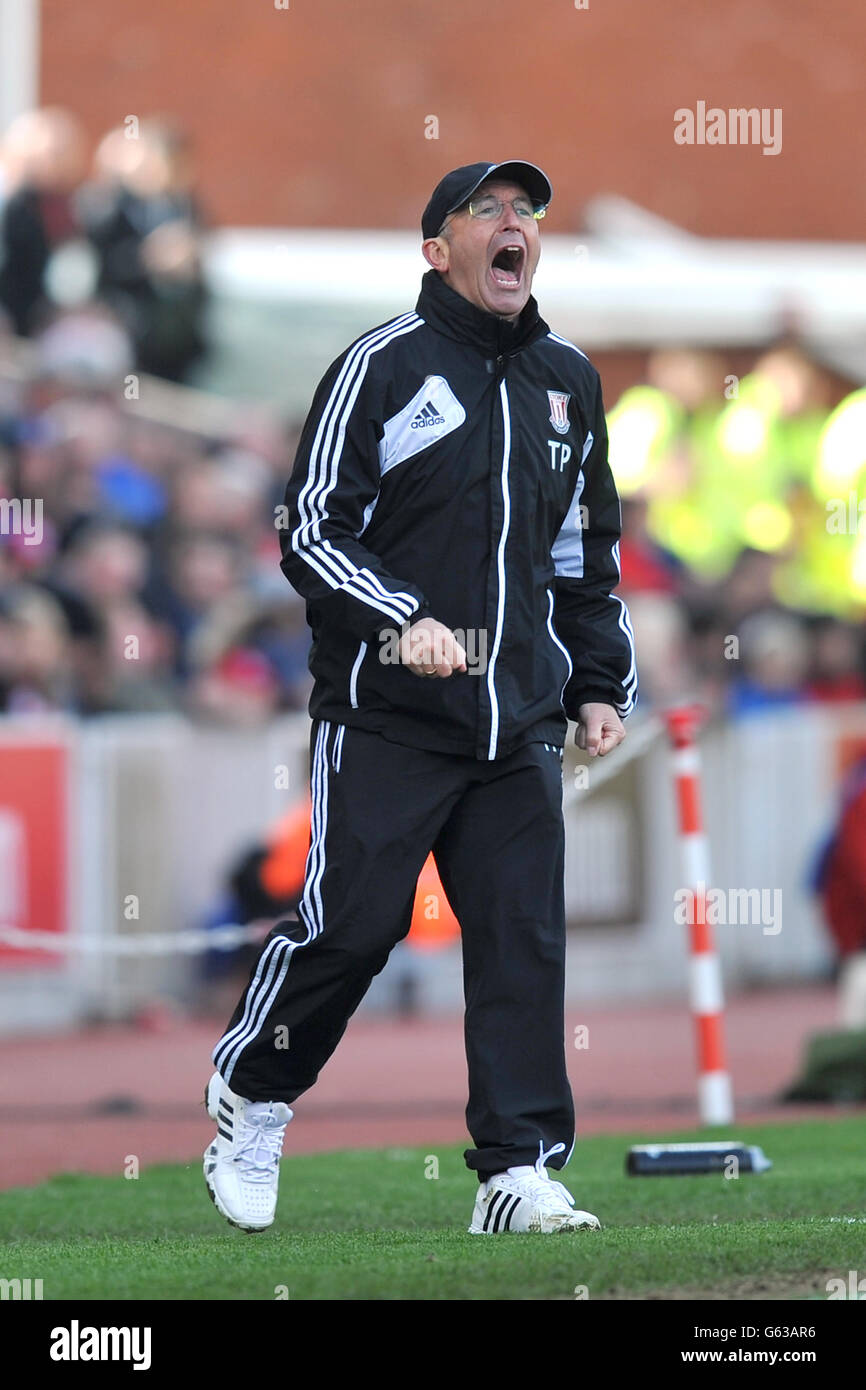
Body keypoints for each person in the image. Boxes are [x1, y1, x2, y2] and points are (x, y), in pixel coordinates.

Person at [204, 160, 637, 1235]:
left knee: (520, 941)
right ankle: (252, 1095)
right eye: (484, 210)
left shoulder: (566, 379)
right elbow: (309, 528)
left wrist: (596, 683)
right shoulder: (381, 368)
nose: (511, 226)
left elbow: (584, 558)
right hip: (387, 713)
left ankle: (517, 1171)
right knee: (350, 927)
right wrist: (402, 615)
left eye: (525, 213)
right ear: (436, 248)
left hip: (518, 719)